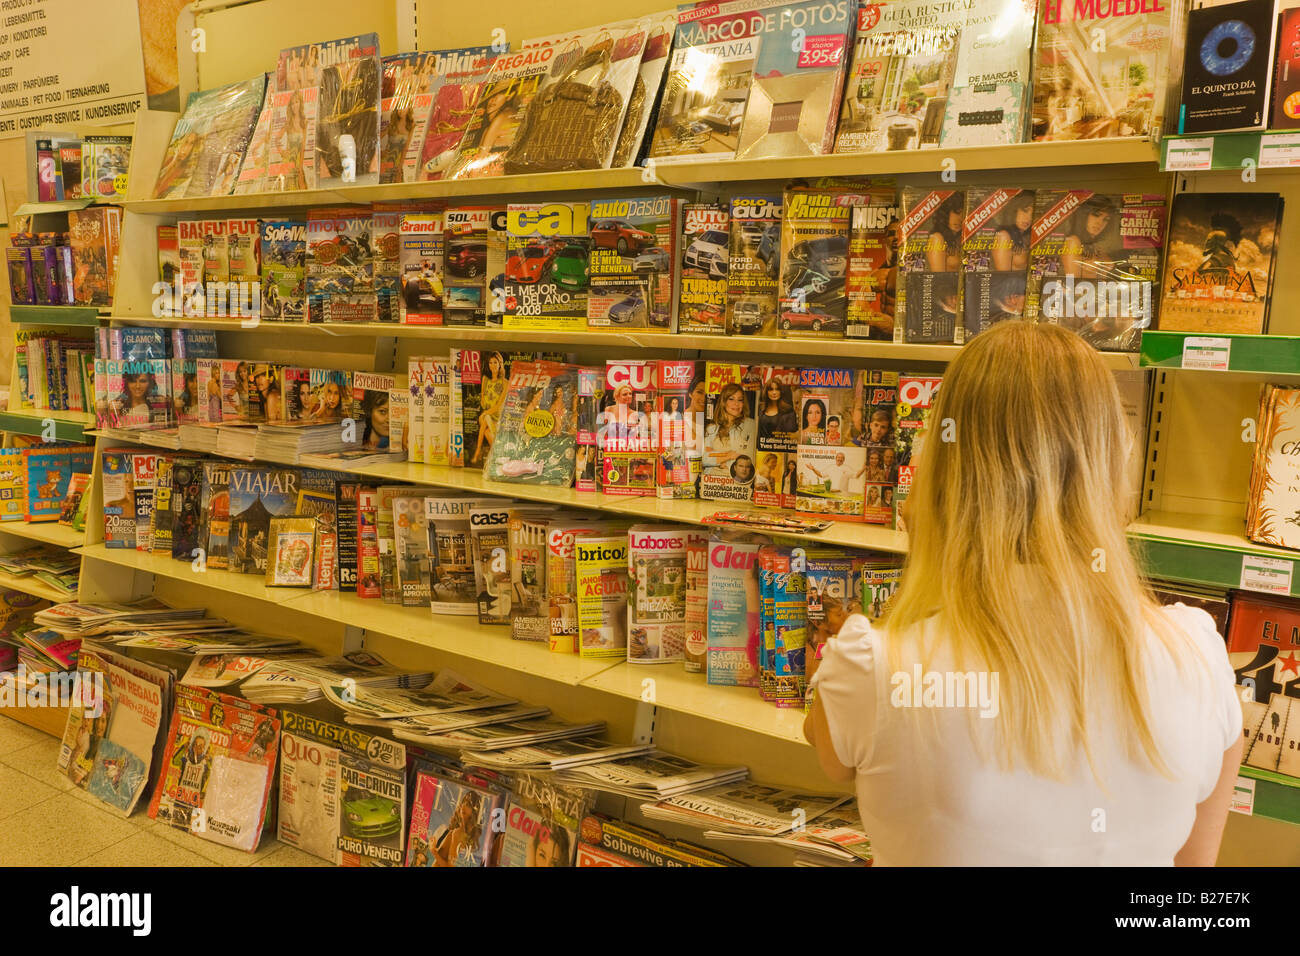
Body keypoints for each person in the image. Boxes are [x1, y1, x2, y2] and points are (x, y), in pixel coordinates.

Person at [805, 321, 1242, 866]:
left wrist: (933, 559)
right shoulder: (1198, 655)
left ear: (946, 469)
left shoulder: (874, 665)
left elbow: (831, 751)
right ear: (1110, 463)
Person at [703, 383, 756, 475]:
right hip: (712, 481)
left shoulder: (750, 425)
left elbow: (749, 457)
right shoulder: (711, 429)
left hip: (737, 482)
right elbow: (704, 458)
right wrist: (729, 455)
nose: (736, 404)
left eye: (740, 400)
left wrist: (719, 459)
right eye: (731, 399)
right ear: (724, 402)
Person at [472, 352, 507, 464]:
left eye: (495, 362)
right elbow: (482, 401)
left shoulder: (505, 382)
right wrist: (485, 409)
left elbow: (498, 406)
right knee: (486, 418)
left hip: (497, 417)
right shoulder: (485, 380)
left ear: (500, 364)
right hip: (486, 415)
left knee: (487, 432)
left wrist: (486, 412)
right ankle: (487, 453)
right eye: (490, 363)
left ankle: (490, 454)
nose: (492, 365)